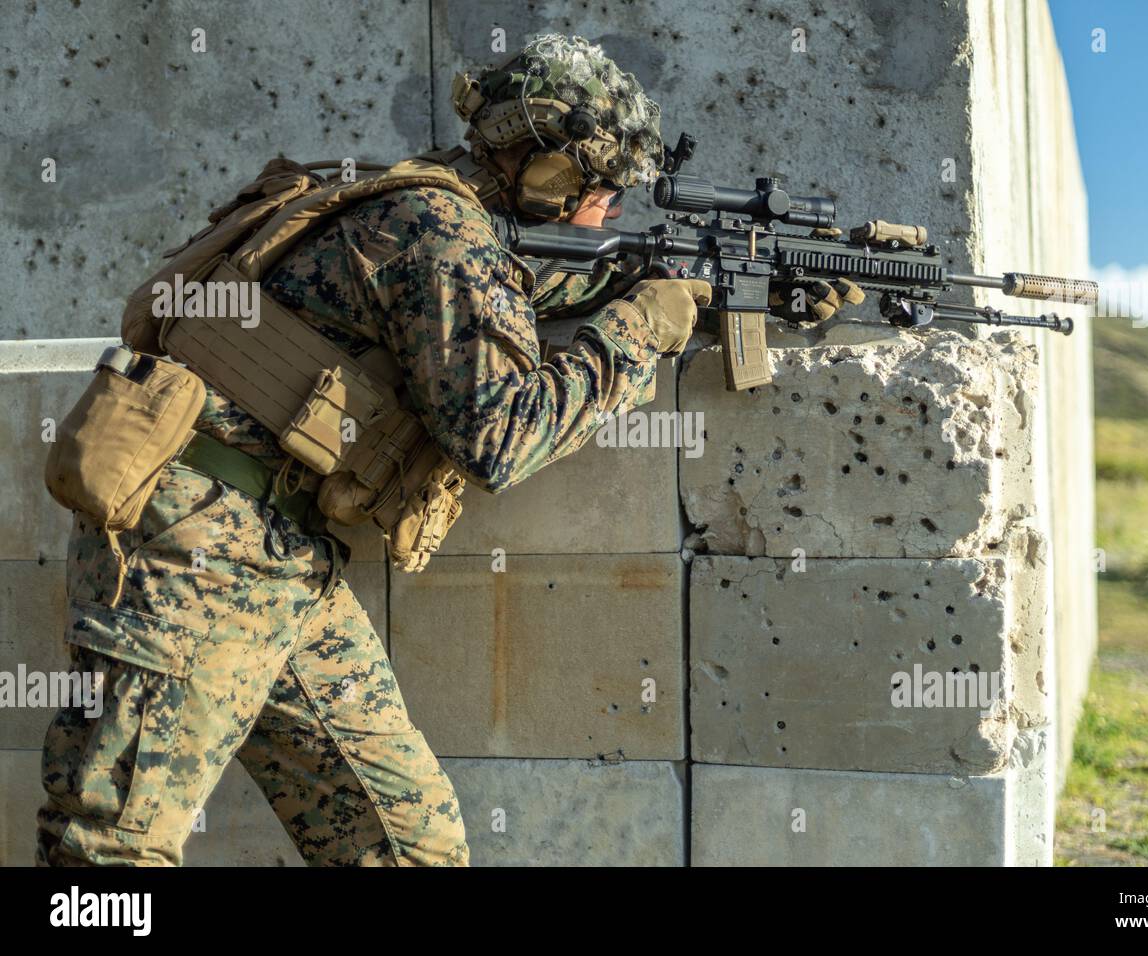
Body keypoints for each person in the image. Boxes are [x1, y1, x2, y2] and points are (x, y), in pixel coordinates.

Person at [36, 33, 854, 867]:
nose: (610, 208)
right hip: (196, 552)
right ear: (552, 171)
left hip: (276, 558)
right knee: (110, 850)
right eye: (604, 188)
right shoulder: (439, 231)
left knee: (405, 844)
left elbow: (524, 289)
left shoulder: (434, 206)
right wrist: (639, 331)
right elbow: (502, 435)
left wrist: (725, 286)